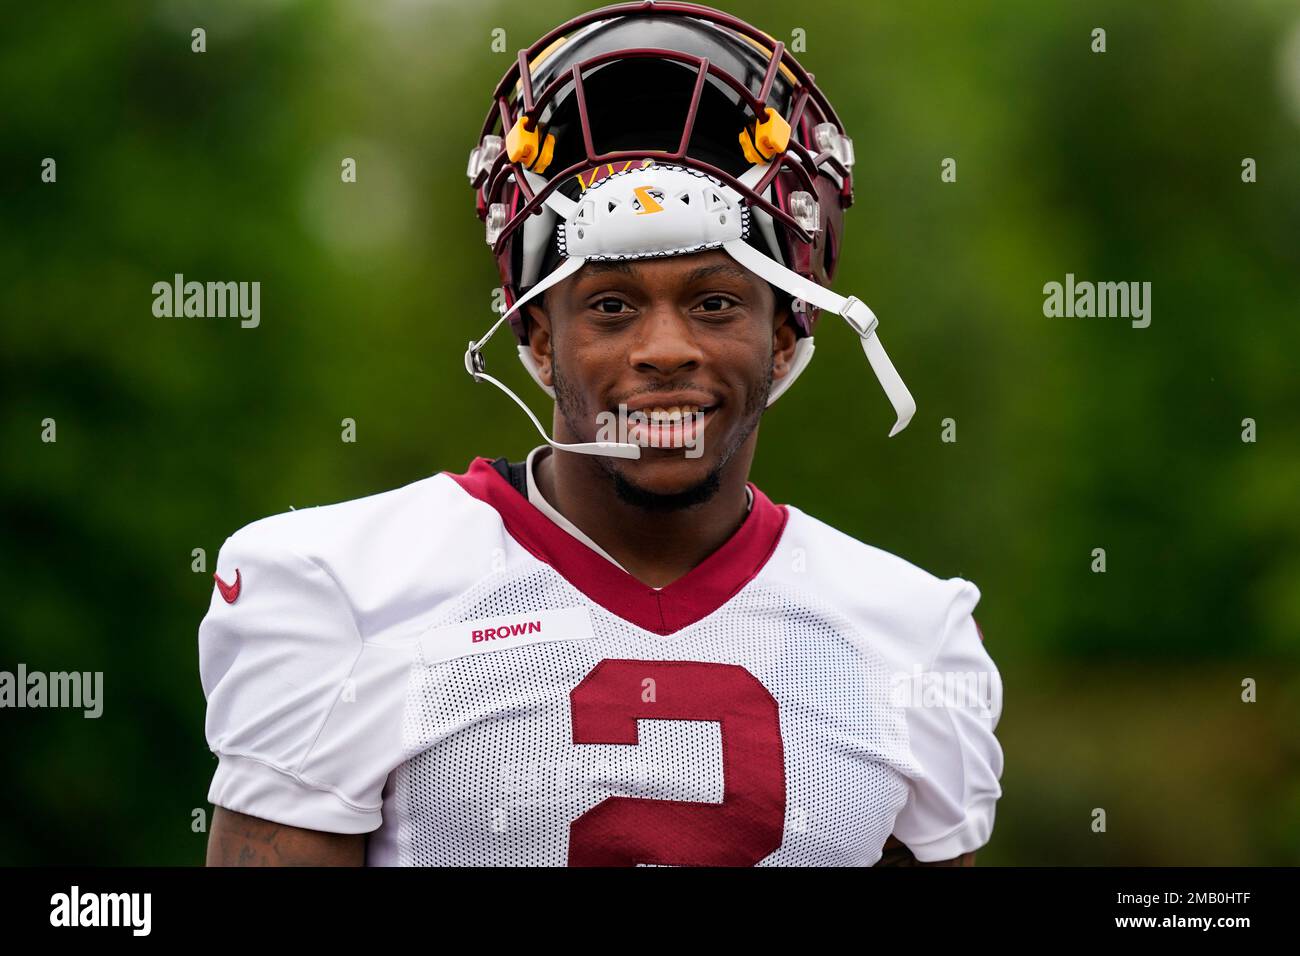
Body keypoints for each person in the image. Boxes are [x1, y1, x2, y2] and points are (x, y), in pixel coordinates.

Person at [200, 1, 1003, 866]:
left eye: (715, 302)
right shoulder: (345, 591)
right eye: (612, 306)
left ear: (783, 338)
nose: (664, 351)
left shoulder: (912, 632)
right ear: (540, 341)